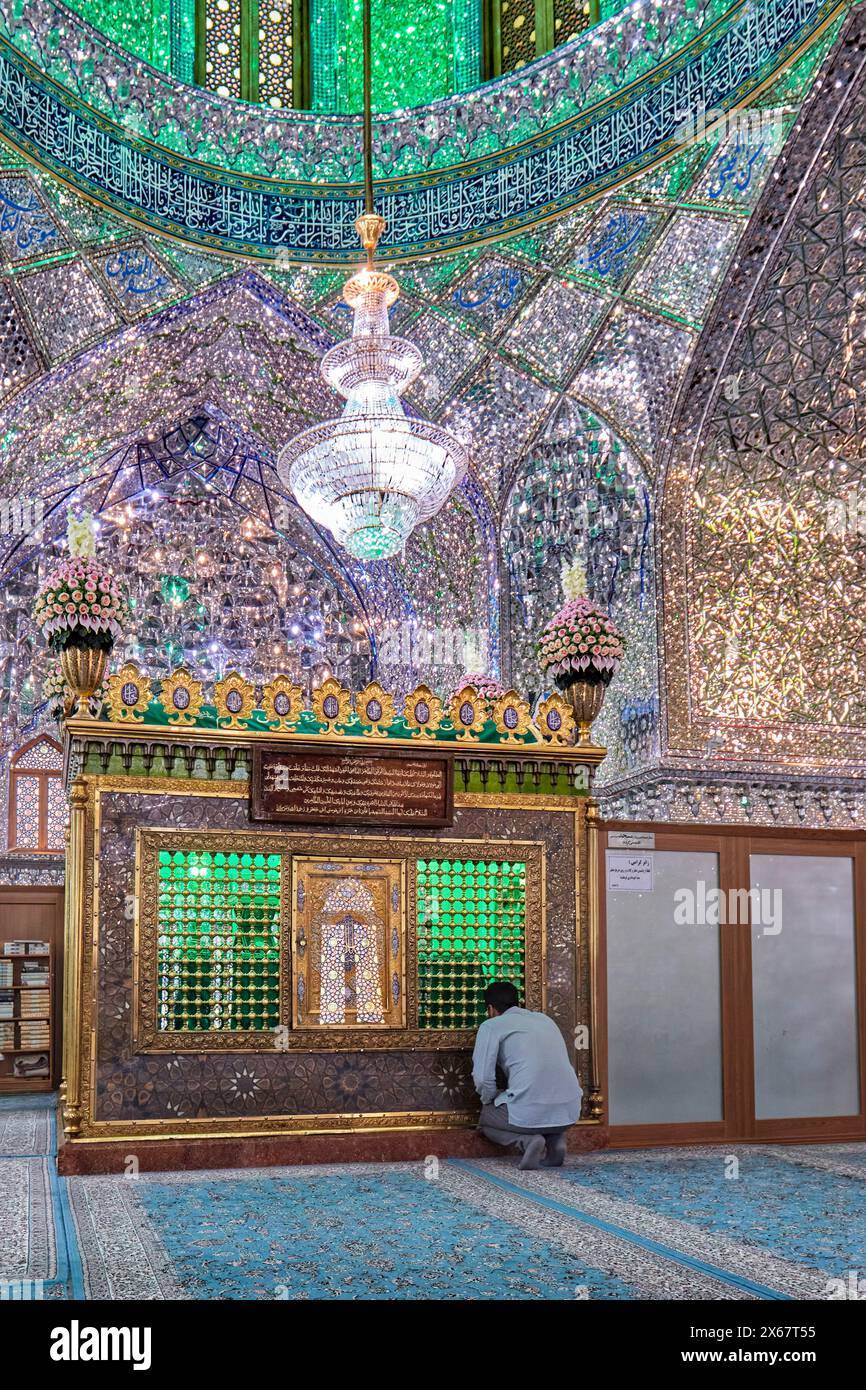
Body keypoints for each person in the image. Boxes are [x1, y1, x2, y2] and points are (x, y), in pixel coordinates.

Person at [472, 980, 583, 1171]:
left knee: (486, 1118)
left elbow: (483, 1078)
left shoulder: (492, 1026)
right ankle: (555, 1140)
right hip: (570, 1111)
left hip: (527, 1112)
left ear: (490, 1009)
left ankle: (527, 1141)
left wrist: (489, 1100)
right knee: (533, 1107)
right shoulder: (545, 1020)